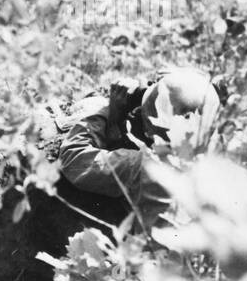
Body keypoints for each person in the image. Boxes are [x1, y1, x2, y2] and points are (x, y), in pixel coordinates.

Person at [57, 67, 220, 219]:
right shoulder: (218, 158)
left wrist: (106, 110)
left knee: (91, 104)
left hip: (139, 244)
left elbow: (73, 159)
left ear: (151, 130)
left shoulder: (141, 165)